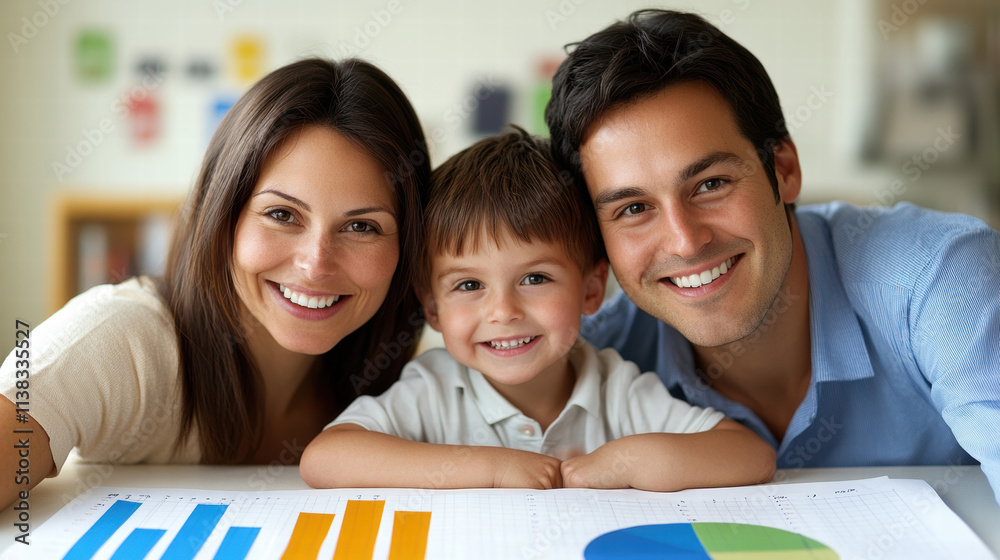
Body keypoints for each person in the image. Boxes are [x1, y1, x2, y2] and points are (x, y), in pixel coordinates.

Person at [545, 9, 1000, 499]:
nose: (684, 241)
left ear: (783, 169)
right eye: (634, 208)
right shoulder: (588, 355)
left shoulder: (939, 278)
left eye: (711, 184)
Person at [0, 58, 430, 509]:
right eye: (282, 215)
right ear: (221, 215)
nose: (315, 264)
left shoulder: (404, 382)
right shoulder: (118, 339)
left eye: (362, 227)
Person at [300, 127, 776, 491]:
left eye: (535, 279)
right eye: (468, 284)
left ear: (592, 289)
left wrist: (624, 463)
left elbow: (749, 455)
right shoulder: (434, 389)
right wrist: (489, 468)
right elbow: (325, 458)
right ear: (433, 309)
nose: (503, 311)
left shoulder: (615, 387)